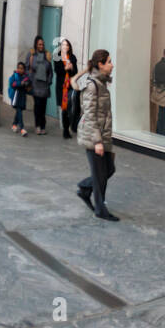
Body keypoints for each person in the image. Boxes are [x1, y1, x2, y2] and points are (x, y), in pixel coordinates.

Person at [75, 49, 119, 221]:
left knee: (109, 169)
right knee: (100, 175)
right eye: (109, 61)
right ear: (100, 64)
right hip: (94, 138)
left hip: (103, 136)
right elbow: (90, 115)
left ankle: (85, 189)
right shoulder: (92, 86)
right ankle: (100, 210)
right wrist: (97, 141)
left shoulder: (102, 84)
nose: (112, 64)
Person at [25, 36, 52, 135]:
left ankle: (43, 126)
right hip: (35, 84)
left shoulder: (47, 55)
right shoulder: (32, 54)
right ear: (36, 44)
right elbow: (27, 67)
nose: (41, 46)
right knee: (37, 106)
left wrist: (49, 81)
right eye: (40, 44)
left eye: (43, 44)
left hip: (44, 85)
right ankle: (37, 126)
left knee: (43, 107)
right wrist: (30, 79)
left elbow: (50, 71)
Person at [54, 39, 79, 139]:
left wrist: (72, 68)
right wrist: (65, 69)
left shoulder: (72, 57)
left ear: (69, 47)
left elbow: (76, 72)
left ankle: (68, 127)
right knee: (64, 108)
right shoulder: (57, 58)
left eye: (67, 45)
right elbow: (57, 71)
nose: (65, 47)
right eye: (63, 45)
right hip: (61, 87)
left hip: (70, 86)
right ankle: (65, 130)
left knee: (70, 108)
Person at [8, 62, 31, 136]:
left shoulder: (26, 77)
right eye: (19, 68)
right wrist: (21, 83)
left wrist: (26, 84)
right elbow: (13, 84)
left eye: (22, 68)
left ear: (24, 69)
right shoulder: (14, 76)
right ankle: (22, 128)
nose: (20, 70)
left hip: (22, 96)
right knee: (19, 112)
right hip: (16, 96)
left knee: (19, 111)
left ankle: (14, 124)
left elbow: (29, 84)